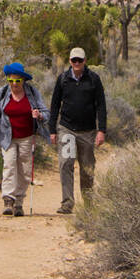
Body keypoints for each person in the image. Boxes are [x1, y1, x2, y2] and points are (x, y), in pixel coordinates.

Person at [48, 46, 106, 214]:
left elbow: (101, 106)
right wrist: (52, 130)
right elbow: (54, 105)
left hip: (87, 131)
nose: (77, 63)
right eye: (74, 60)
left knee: (87, 167)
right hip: (66, 128)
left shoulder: (94, 79)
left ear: (85, 61)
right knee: (66, 164)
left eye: (80, 60)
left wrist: (101, 130)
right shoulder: (63, 79)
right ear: (70, 61)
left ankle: (88, 205)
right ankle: (67, 202)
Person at [0, 62, 50, 216]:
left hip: (27, 137)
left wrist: (39, 115)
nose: (14, 84)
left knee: (24, 170)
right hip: (7, 136)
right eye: (11, 81)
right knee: (9, 166)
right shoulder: (2, 93)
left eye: (17, 81)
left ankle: (19, 202)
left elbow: (46, 113)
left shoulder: (33, 94)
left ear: (23, 80)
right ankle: (8, 200)